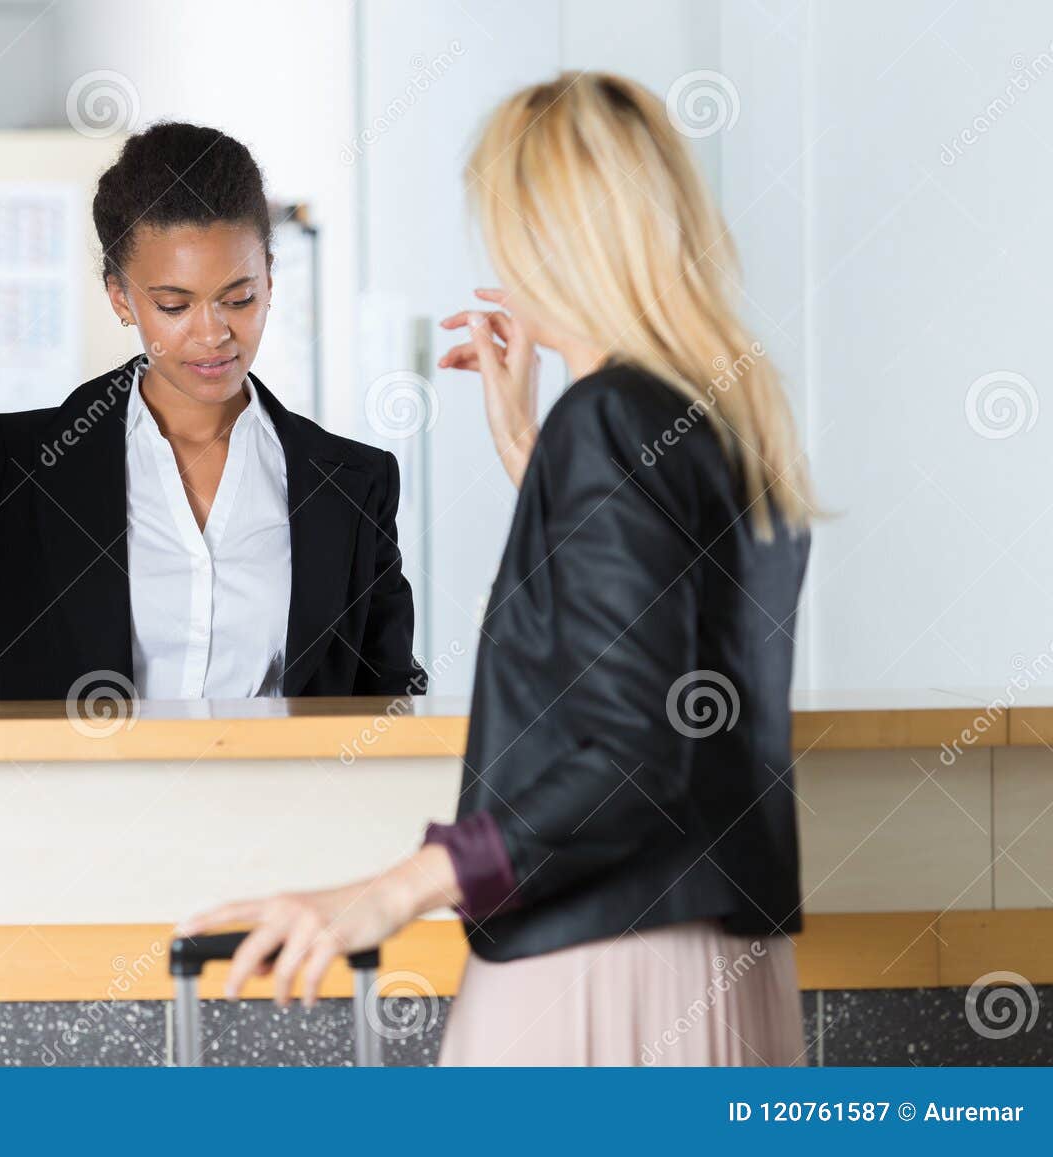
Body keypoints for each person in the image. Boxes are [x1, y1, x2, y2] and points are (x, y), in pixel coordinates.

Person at [178, 71, 817, 1066]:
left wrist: (390, 891)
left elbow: (629, 755)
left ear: (550, 231)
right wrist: (531, 445)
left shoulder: (609, 421)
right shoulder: (718, 420)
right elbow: (653, 633)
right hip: (713, 961)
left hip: (599, 961)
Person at [0, 122, 422, 702]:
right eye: (174, 306)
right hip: (82, 840)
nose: (212, 334)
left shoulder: (354, 483)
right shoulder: (24, 466)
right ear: (121, 297)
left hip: (291, 841)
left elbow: (388, 701)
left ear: (271, 276)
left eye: (239, 297)